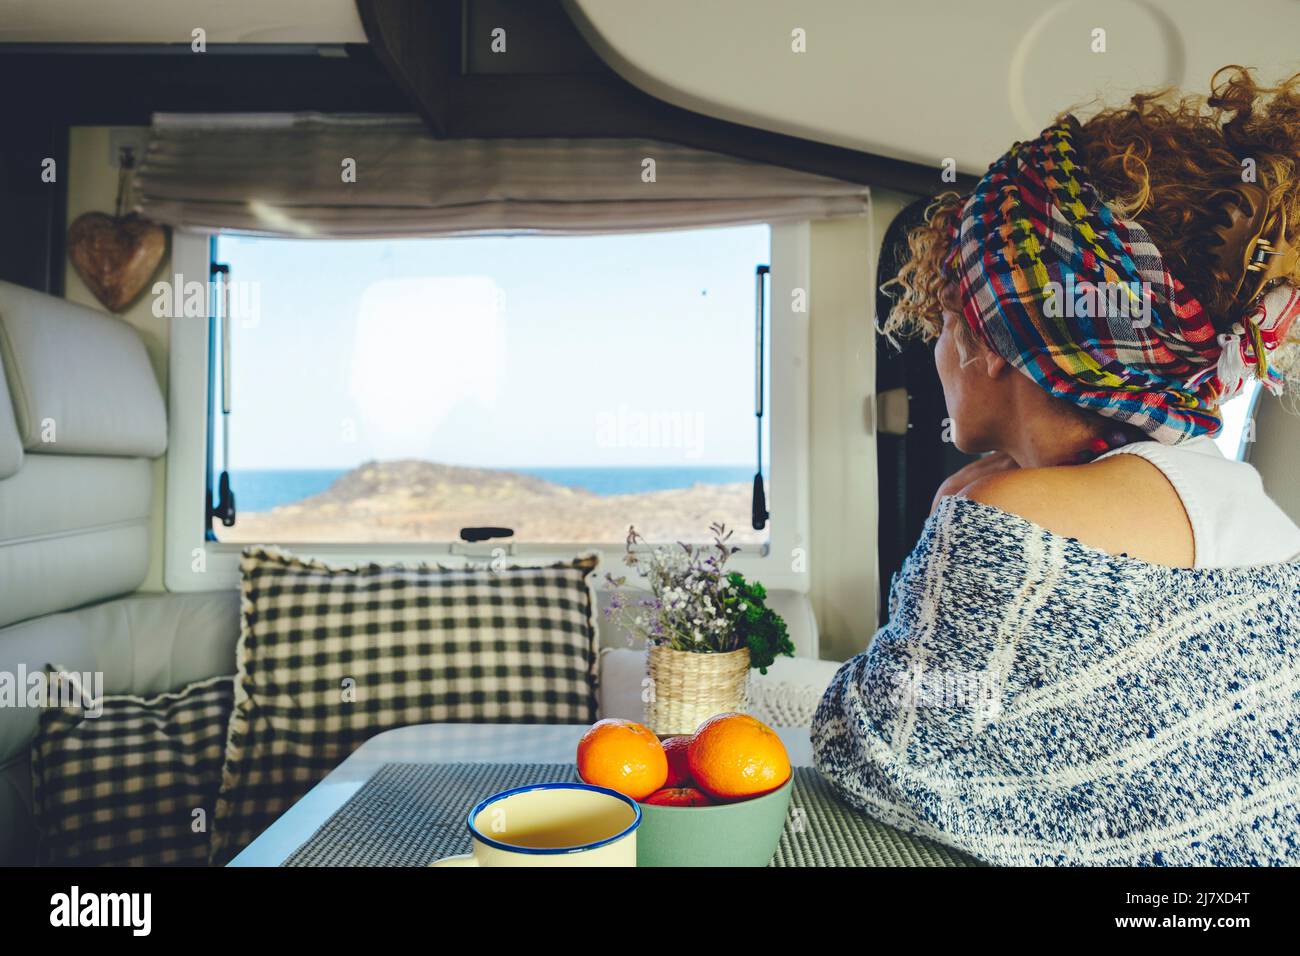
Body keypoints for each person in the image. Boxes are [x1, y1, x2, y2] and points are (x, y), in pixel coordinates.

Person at [812, 67, 1300, 865]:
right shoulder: (1263, 516)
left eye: (945, 315)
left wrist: (951, 513)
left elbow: (873, 751)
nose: (936, 344)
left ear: (991, 344)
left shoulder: (1012, 515)